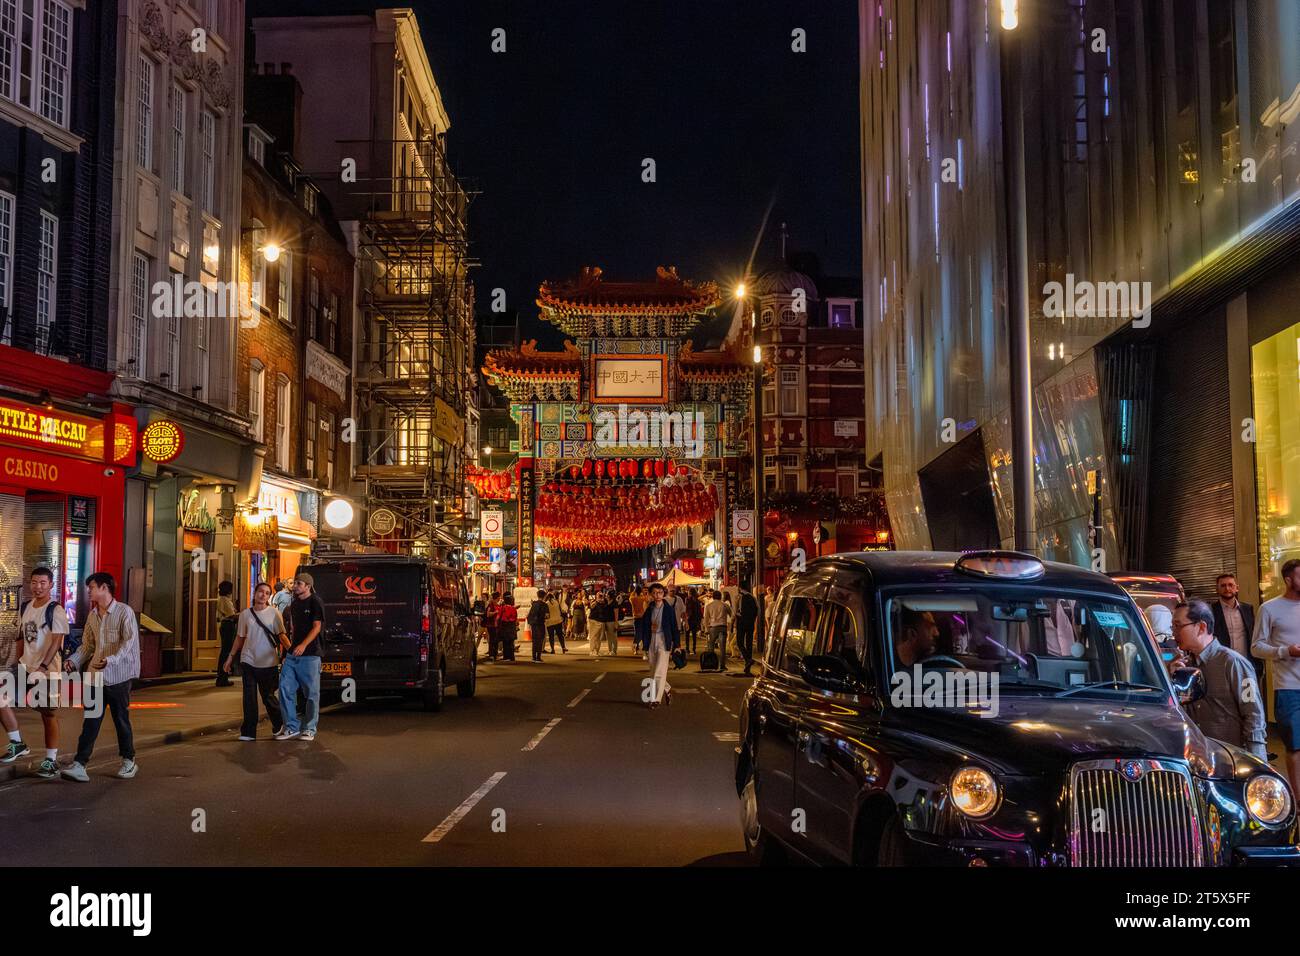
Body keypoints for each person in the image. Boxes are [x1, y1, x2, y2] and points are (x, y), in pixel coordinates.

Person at [61, 572, 141, 782]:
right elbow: (87, 646)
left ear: (104, 587)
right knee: (91, 721)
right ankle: (80, 764)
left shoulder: (125, 612)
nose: (89, 591)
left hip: (118, 676)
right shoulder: (92, 616)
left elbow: (129, 643)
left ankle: (128, 760)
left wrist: (112, 660)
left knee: (120, 720)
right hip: (95, 676)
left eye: (92, 587)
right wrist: (74, 661)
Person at [1175, 600, 1266, 759]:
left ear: (1201, 627)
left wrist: (1257, 762)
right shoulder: (1185, 666)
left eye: (1178, 626)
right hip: (1199, 756)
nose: (1173, 633)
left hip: (1231, 757)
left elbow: (1254, 715)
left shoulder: (1232, 663)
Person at [8, 567, 68, 776]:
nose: (38, 587)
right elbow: (21, 637)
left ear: (51, 585)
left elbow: (56, 642)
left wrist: (42, 668)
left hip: (48, 671)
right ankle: (17, 743)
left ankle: (51, 760)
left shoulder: (56, 610)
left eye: (43, 582)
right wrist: (15, 665)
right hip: (25, 666)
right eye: (34, 582)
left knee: (48, 713)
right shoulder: (25, 607)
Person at [1253, 558, 1300, 796]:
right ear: (1289, 580)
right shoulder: (1270, 608)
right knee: (1295, 747)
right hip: (1289, 688)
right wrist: (1285, 651)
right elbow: (1256, 647)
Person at [225, 581, 285, 741]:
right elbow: (240, 637)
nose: (263, 595)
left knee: (268, 697)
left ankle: (279, 724)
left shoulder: (274, 613)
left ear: (269, 596)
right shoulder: (245, 614)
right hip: (248, 660)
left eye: (267, 593)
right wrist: (230, 657)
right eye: (260, 591)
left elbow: (281, 636)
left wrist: (291, 653)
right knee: (249, 698)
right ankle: (248, 732)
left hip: (268, 661)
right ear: (255, 593)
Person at [276, 573, 324, 742]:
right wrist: (287, 651)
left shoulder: (315, 602)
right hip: (292, 655)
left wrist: (303, 645)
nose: (295, 586)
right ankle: (291, 727)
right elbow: (293, 630)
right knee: (284, 688)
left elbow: (317, 627)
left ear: (307, 586)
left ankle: (310, 728)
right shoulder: (294, 604)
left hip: (310, 655)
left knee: (311, 693)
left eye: (298, 583)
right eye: (295, 583)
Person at [1211, 573, 1262, 683]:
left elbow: (1254, 636)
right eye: (1223, 586)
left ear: (1237, 588)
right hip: (1222, 666)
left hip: (1247, 665)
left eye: (1230, 585)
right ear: (1217, 589)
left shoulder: (1248, 609)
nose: (1227, 588)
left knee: (1248, 699)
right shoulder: (1210, 610)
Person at [637, 583, 680, 707]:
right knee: (653, 670)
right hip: (651, 640)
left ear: (663, 593)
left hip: (663, 640)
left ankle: (655, 700)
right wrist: (640, 641)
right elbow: (644, 626)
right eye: (655, 593)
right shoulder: (649, 608)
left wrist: (676, 644)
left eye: (660, 592)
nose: (657, 595)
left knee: (659, 672)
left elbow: (674, 627)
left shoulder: (668, 609)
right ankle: (666, 688)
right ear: (651, 594)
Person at [215, 580, 239, 687]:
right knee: (226, 652)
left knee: (225, 651)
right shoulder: (224, 600)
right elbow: (231, 615)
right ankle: (222, 678)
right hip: (227, 625)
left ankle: (222, 677)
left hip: (226, 625)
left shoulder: (223, 599)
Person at [735, 583, 760, 676]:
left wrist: (737, 617)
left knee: (739, 642)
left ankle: (748, 660)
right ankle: (747, 668)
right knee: (749, 644)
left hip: (741, 623)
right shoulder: (753, 598)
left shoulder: (739, 597)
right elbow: (757, 610)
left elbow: (737, 611)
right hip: (751, 624)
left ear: (740, 588)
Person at [702, 589, 731, 670]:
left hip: (713, 628)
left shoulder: (708, 606)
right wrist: (731, 624)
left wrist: (706, 629)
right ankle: (722, 665)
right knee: (722, 648)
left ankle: (711, 664)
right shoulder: (724, 605)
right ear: (720, 597)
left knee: (711, 647)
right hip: (723, 627)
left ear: (713, 597)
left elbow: (706, 619)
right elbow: (732, 614)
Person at [527, 590, 549, 662]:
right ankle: (538, 657)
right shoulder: (545, 605)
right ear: (544, 596)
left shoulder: (534, 604)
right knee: (540, 640)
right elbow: (547, 616)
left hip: (533, 624)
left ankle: (533, 657)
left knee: (535, 640)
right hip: (540, 624)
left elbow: (530, 614)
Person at [496, 594, 519, 661]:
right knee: (511, 642)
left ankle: (506, 656)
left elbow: (498, 617)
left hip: (504, 625)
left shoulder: (502, 608)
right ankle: (512, 657)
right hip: (511, 626)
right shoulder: (513, 609)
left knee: (505, 642)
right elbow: (515, 617)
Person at [629, 586, 650, 654]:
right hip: (643, 617)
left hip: (636, 617)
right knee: (644, 633)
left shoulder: (633, 599)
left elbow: (630, 597)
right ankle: (643, 648)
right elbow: (647, 600)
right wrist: (644, 593)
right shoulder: (642, 598)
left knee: (637, 632)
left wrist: (634, 591)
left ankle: (636, 646)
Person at [545, 589, 567, 654]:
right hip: (558, 621)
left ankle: (552, 649)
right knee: (560, 635)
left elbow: (546, 614)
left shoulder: (546, 604)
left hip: (550, 622)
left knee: (551, 636)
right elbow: (560, 610)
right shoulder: (556, 602)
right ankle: (563, 648)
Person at [484, 593, 503, 661]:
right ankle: (492, 655)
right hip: (491, 625)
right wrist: (495, 612)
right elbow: (488, 614)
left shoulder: (497, 605)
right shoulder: (491, 605)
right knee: (492, 640)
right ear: (496, 597)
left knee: (496, 640)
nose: (499, 598)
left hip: (496, 625)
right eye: (499, 597)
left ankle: (495, 655)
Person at [685, 588, 703, 655]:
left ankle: (687, 649)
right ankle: (694, 648)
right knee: (694, 635)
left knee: (687, 635)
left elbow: (687, 608)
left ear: (689, 592)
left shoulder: (687, 599)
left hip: (689, 619)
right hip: (695, 619)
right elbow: (699, 611)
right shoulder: (697, 600)